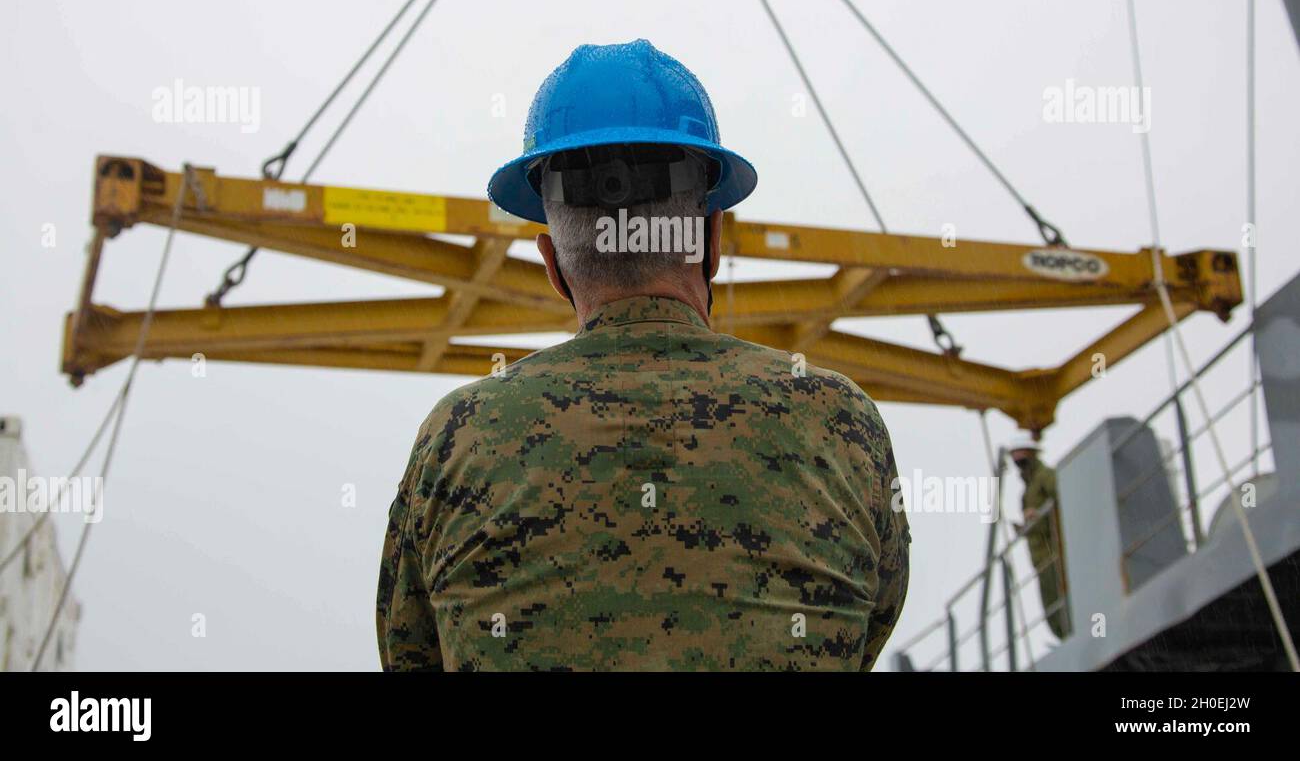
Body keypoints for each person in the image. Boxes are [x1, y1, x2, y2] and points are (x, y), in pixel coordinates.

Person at [376, 39, 910, 670]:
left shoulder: (455, 439)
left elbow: (411, 654)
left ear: (552, 266)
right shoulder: (842, 422)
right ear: (712, 242)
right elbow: (868, 627)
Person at [1009, 439, 1068, 640]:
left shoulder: (1045, 477)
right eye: (1015, 458)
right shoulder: (1027, 491)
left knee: (1064, 600)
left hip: (1055, 552)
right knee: (1052, 607)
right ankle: (1066, 638)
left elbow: (1063, 501)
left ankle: (1072, 634)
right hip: (1040, 558)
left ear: (1032, 454)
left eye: (1022, 456)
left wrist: (1039, 515)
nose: (1018, 461)